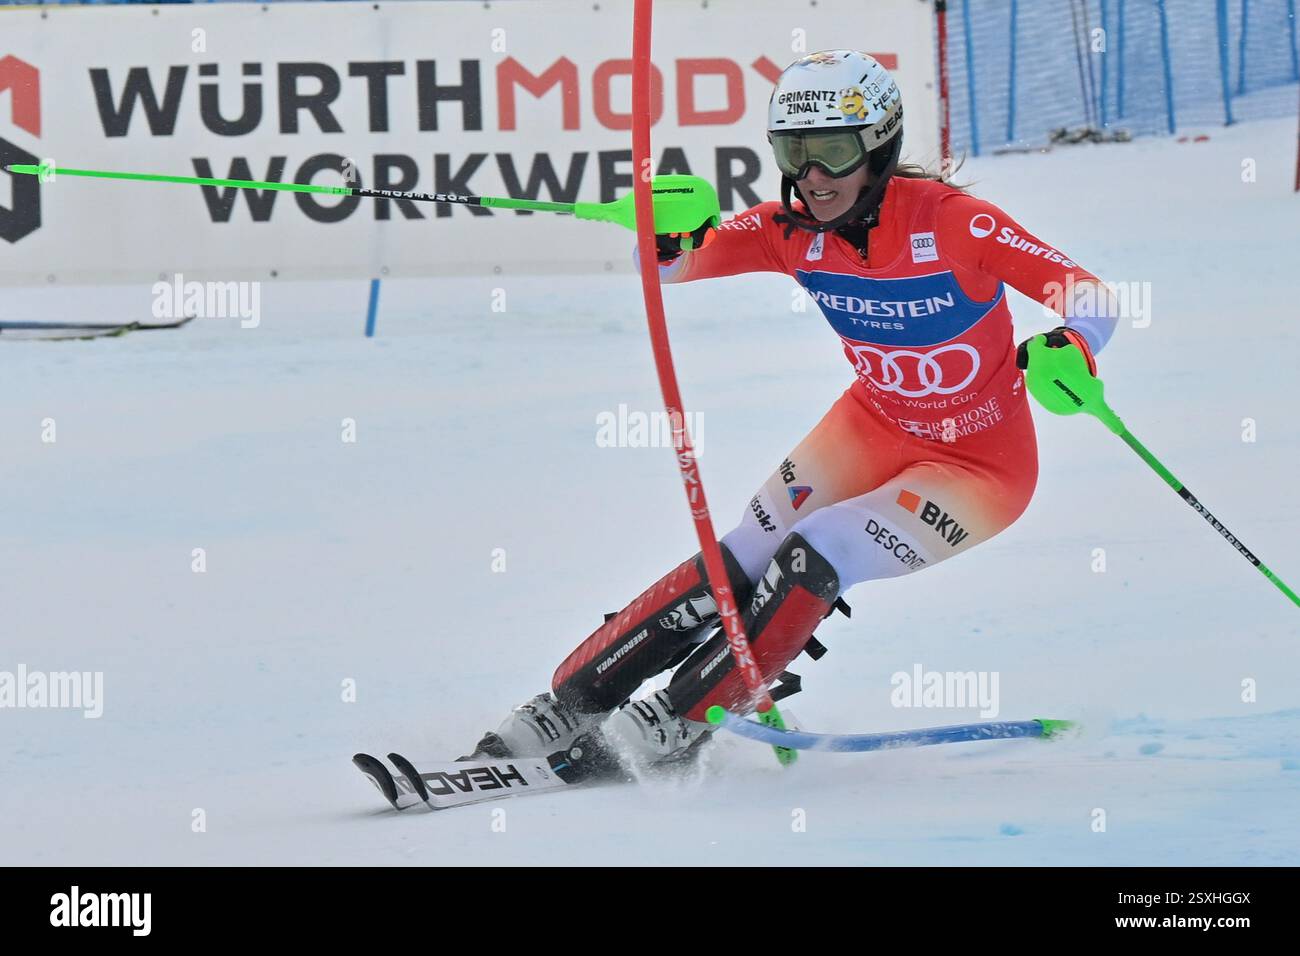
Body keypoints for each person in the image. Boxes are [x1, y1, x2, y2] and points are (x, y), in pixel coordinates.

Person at [462, 49, 1117, 774]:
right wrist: (664, 229)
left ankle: (683, 719)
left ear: (878, 146)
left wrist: (1074, 342)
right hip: (873, 424)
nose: (813, 176)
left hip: (978, 466)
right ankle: (570, 703)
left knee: (819, 549)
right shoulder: (790, 228)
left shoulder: (950, 221)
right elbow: (680, 264)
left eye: (832, 152)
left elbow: (1088, 293)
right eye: (793, 152)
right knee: (744, 552)